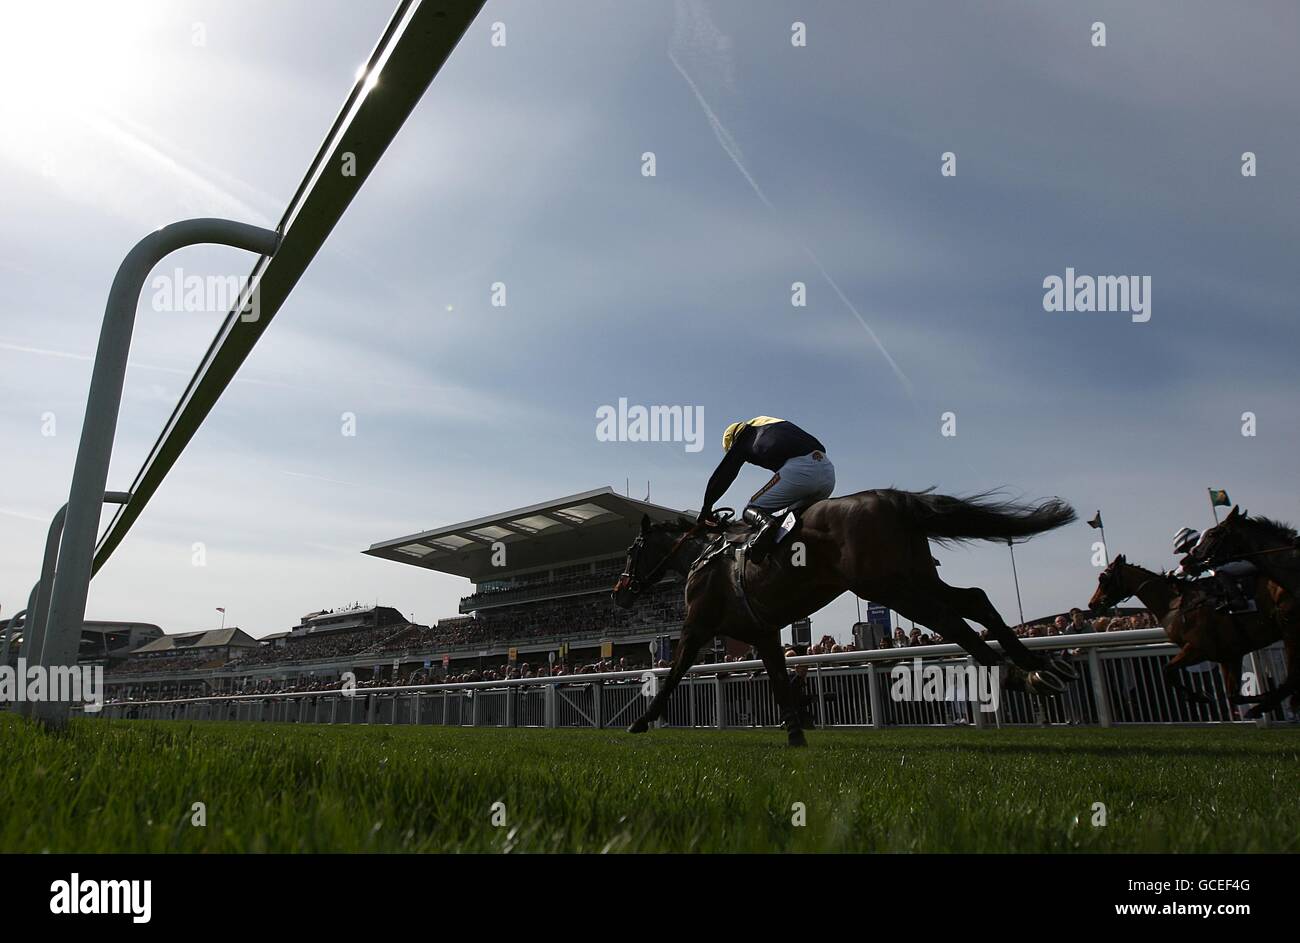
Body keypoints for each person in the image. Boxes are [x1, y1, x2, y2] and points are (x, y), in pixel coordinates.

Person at [698, 416, 835, 562]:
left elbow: (724, 473)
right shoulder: (770, 424)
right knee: (791, 522)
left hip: (802, 471)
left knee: (751, 508)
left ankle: (767, 530)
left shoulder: (745, 435)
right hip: (828, 472)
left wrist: (706, 507)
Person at [1173, 525, 1256, 613]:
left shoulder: (1205, 539)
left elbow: (1192, 557)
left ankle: (1239, 601)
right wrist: (1173, 573)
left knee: (1220, 571)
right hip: (1238, 565)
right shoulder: (1201, 549)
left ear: (1189, 542)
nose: (1185, 552)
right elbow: (1184, 567)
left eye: (1183, 549)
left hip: (1248, 562)